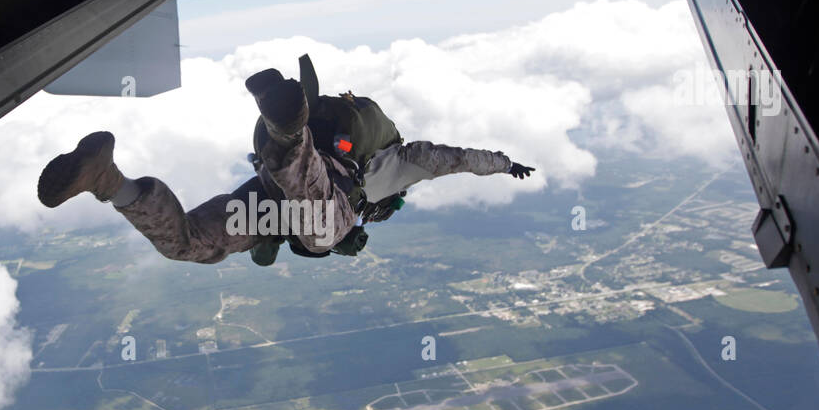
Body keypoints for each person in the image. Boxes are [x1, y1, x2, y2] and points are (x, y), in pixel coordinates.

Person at [36, 54, 535, 265]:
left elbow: (457, 158)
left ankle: (106, 179)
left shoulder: (391, 171)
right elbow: (455, 158)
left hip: (268, 208)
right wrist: (504, 162)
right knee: (318, 216)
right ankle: (283, 123)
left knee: (189, 246)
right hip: (296, 196)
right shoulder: (395, 170)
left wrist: (501, 163)